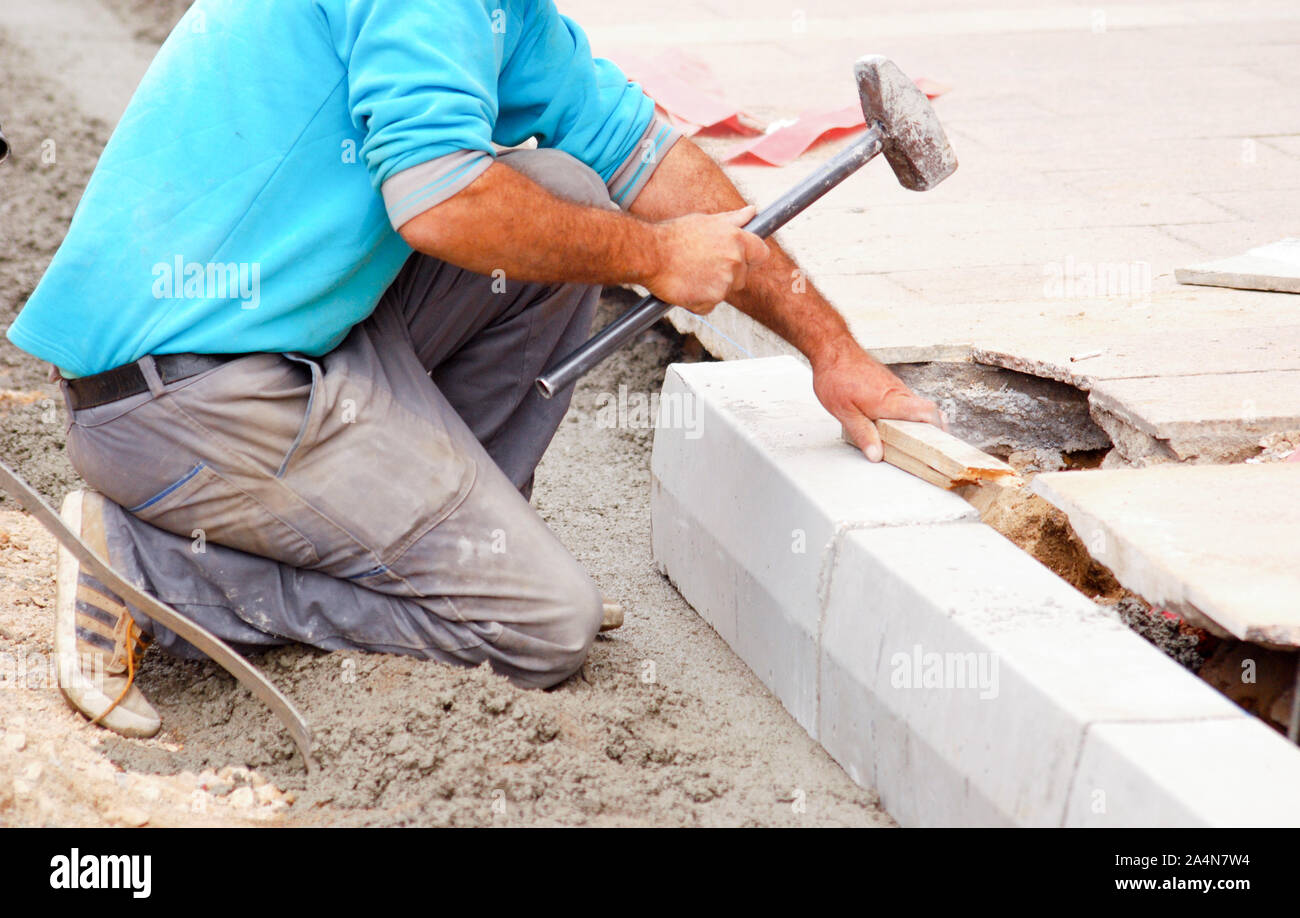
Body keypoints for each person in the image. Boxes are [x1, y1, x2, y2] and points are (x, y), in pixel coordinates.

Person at [6, 0, 942, 738]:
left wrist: (833, 349)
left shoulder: (505, 11)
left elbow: (640, 154)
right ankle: (147, 567)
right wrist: (654, 259)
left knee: (568, 192)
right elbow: (440, 200)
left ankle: (460, 558)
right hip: (185, 394)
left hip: (281, 337)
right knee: (543, 630)